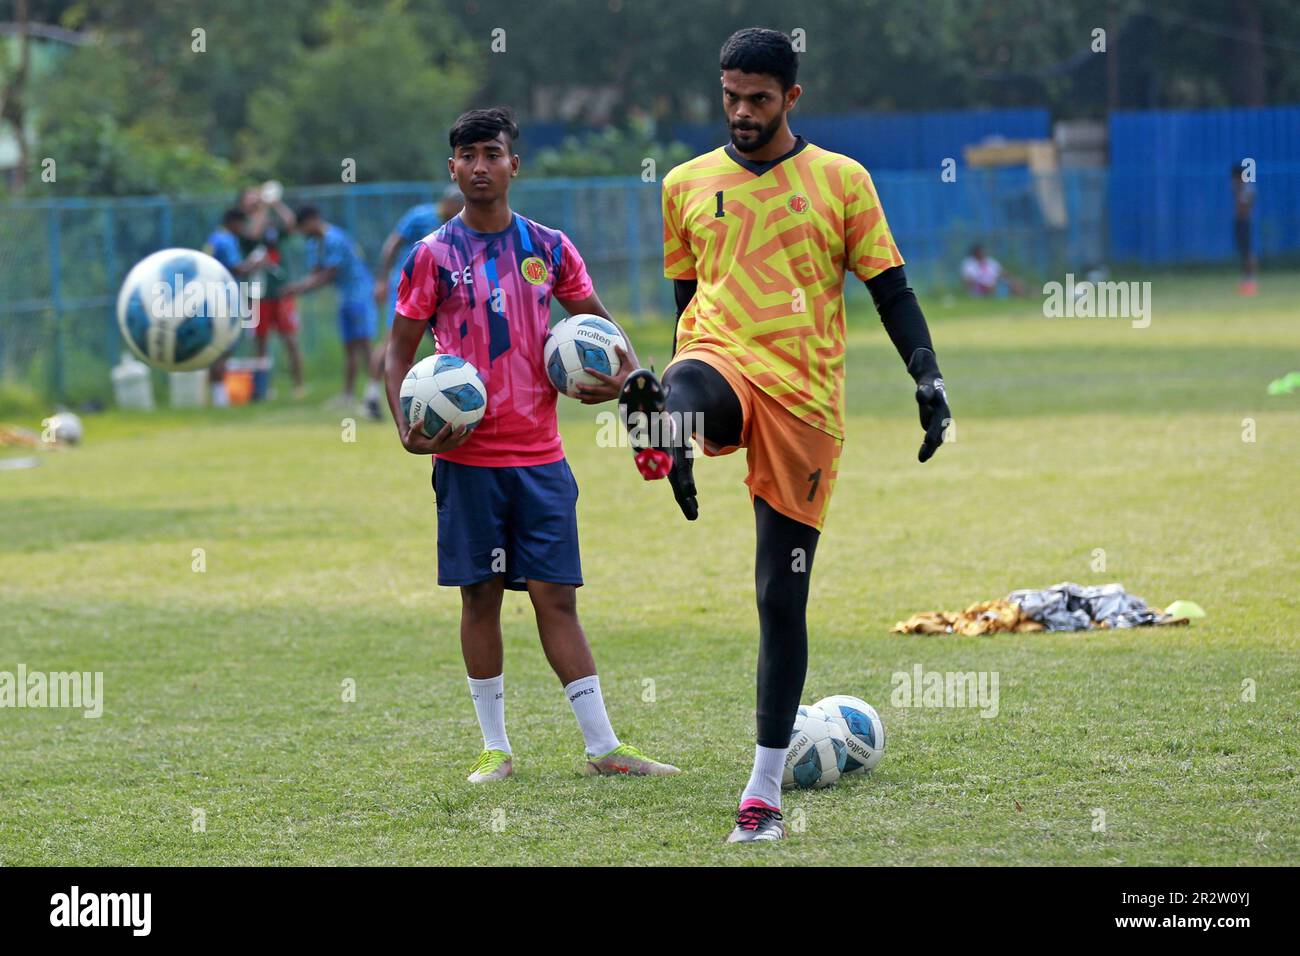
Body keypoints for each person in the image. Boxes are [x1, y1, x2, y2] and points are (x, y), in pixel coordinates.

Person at [618, 28, 952, 843]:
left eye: (758, 99)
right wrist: (676, 418)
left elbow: (891, 289)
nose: (741, 112)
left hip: (806, 402)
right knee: (690, 376)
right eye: (731, 96)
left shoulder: (842, 180)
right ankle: (665, 422)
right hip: (718, 359)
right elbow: (686, 307)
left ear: (791, 98)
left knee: (779, 594)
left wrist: (928, 374)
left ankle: (761, 794)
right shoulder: (687, 184)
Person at [385, 107, 679, 783]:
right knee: (480, 596)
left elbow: (603, 332)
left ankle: (604, 747)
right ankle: (496, 749)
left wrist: (624, 379)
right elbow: (397, 350)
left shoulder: (547, 247)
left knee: (557, 597)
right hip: (466, 462)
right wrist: (407, 427)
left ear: (515, 164)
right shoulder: (431, 256)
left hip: (542, 458)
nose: (480, 166)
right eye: (468, 156)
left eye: (493, 153)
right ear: (452, 168)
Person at [364, 185, 466, 420]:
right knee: (393, 342)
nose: (459, 212)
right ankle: (372, 395)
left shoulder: (460, 226)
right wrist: (381, 279)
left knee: (450, 344)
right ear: (447, 202)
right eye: (457, 206)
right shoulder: (420, 216)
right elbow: (392, 245)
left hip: (442, 292)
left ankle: (445, 399)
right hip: (409, 290)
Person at [282, 208, 377, 409]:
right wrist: (299, 286)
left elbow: (327, 275)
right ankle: (348, 396)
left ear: (313, 220)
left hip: (359, 294)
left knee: (364, 345)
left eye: (303, 227)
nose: (302, 232)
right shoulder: (314, 243)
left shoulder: (334, 238)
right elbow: (315, 272)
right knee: (350, 346)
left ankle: (374, 392)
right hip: (344, 296)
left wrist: (296, 288)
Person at [238, 183, 305, 399]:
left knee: (290, 339)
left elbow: (292, 223)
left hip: (281, 291)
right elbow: (253, 235)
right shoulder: (244, 225)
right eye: (251, 198)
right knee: (260, 342)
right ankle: (264, 388)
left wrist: (276, 203)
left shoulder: (273, 226)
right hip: (257, 295)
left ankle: (298, 385)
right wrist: (264, 208)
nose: (256, 200)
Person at [203, 207, 267, 407]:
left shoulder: (214, 238)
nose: (243, 228)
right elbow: (236, 268)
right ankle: (219, 397)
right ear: (233, 222)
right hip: (223, 300)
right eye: (242, 224)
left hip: (213, 297)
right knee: (224, 348)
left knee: (217, 349)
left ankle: (217, 394)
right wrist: (254, 262)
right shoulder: (226, 240)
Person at [1230, 164, 1257, 295]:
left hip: (1244, 221)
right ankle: (1246, 281)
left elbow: (1244, 206)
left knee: (1247, 252)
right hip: (1240, 221)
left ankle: (1251, 281)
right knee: (1243, 252)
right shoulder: (1240, 188)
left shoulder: (1246, 188)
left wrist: (1238, 190)